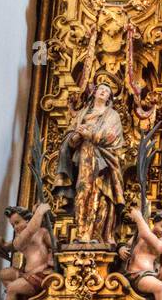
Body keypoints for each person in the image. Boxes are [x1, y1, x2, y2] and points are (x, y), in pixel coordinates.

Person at [53, 78, 125, 245]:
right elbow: (70, 140)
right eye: (100, 89)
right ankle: (82, 233)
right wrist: (77, 136)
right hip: (83, 159)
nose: (103, 92)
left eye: (107, 91)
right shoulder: (82, 114)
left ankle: (96, 235)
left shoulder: (113, 116)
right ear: (94, 92)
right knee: (82, 191)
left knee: (99, 195)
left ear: (109, 97)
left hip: (104, 163)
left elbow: (113, 137)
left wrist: (90, 135)